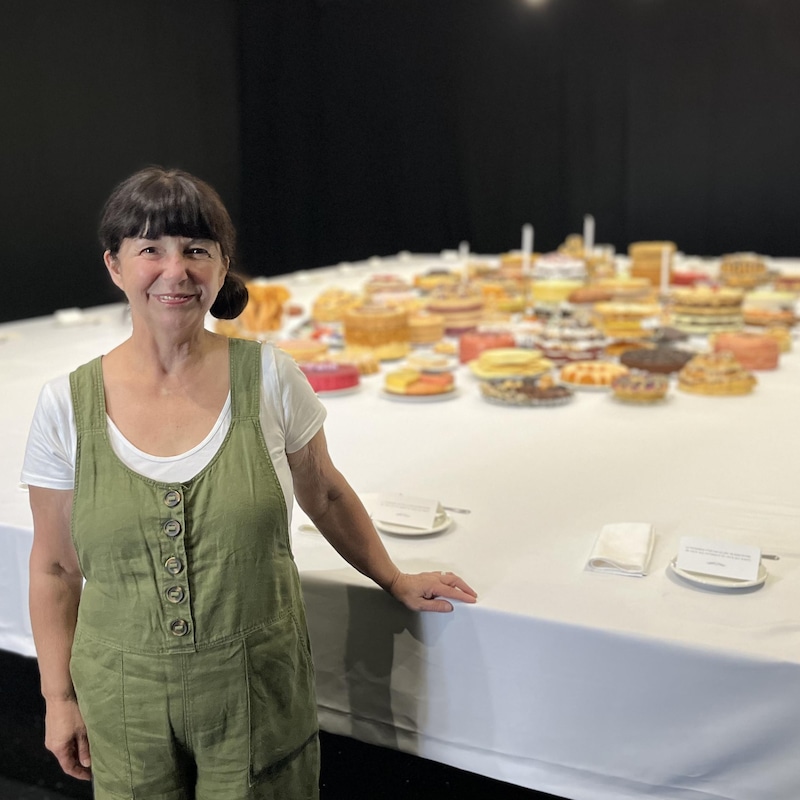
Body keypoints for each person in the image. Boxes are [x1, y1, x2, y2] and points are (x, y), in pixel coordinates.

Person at [22, 166, 477, 799]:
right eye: (150, 249)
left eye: (196, 251)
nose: (175, 270)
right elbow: (54, 569)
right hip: (122, 703)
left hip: (257, 695)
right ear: (115, 265)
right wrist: (57, 697)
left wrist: (394, 578)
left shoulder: (269, 377)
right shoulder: (65, 405)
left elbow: (324, 490)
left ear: (221, 265)